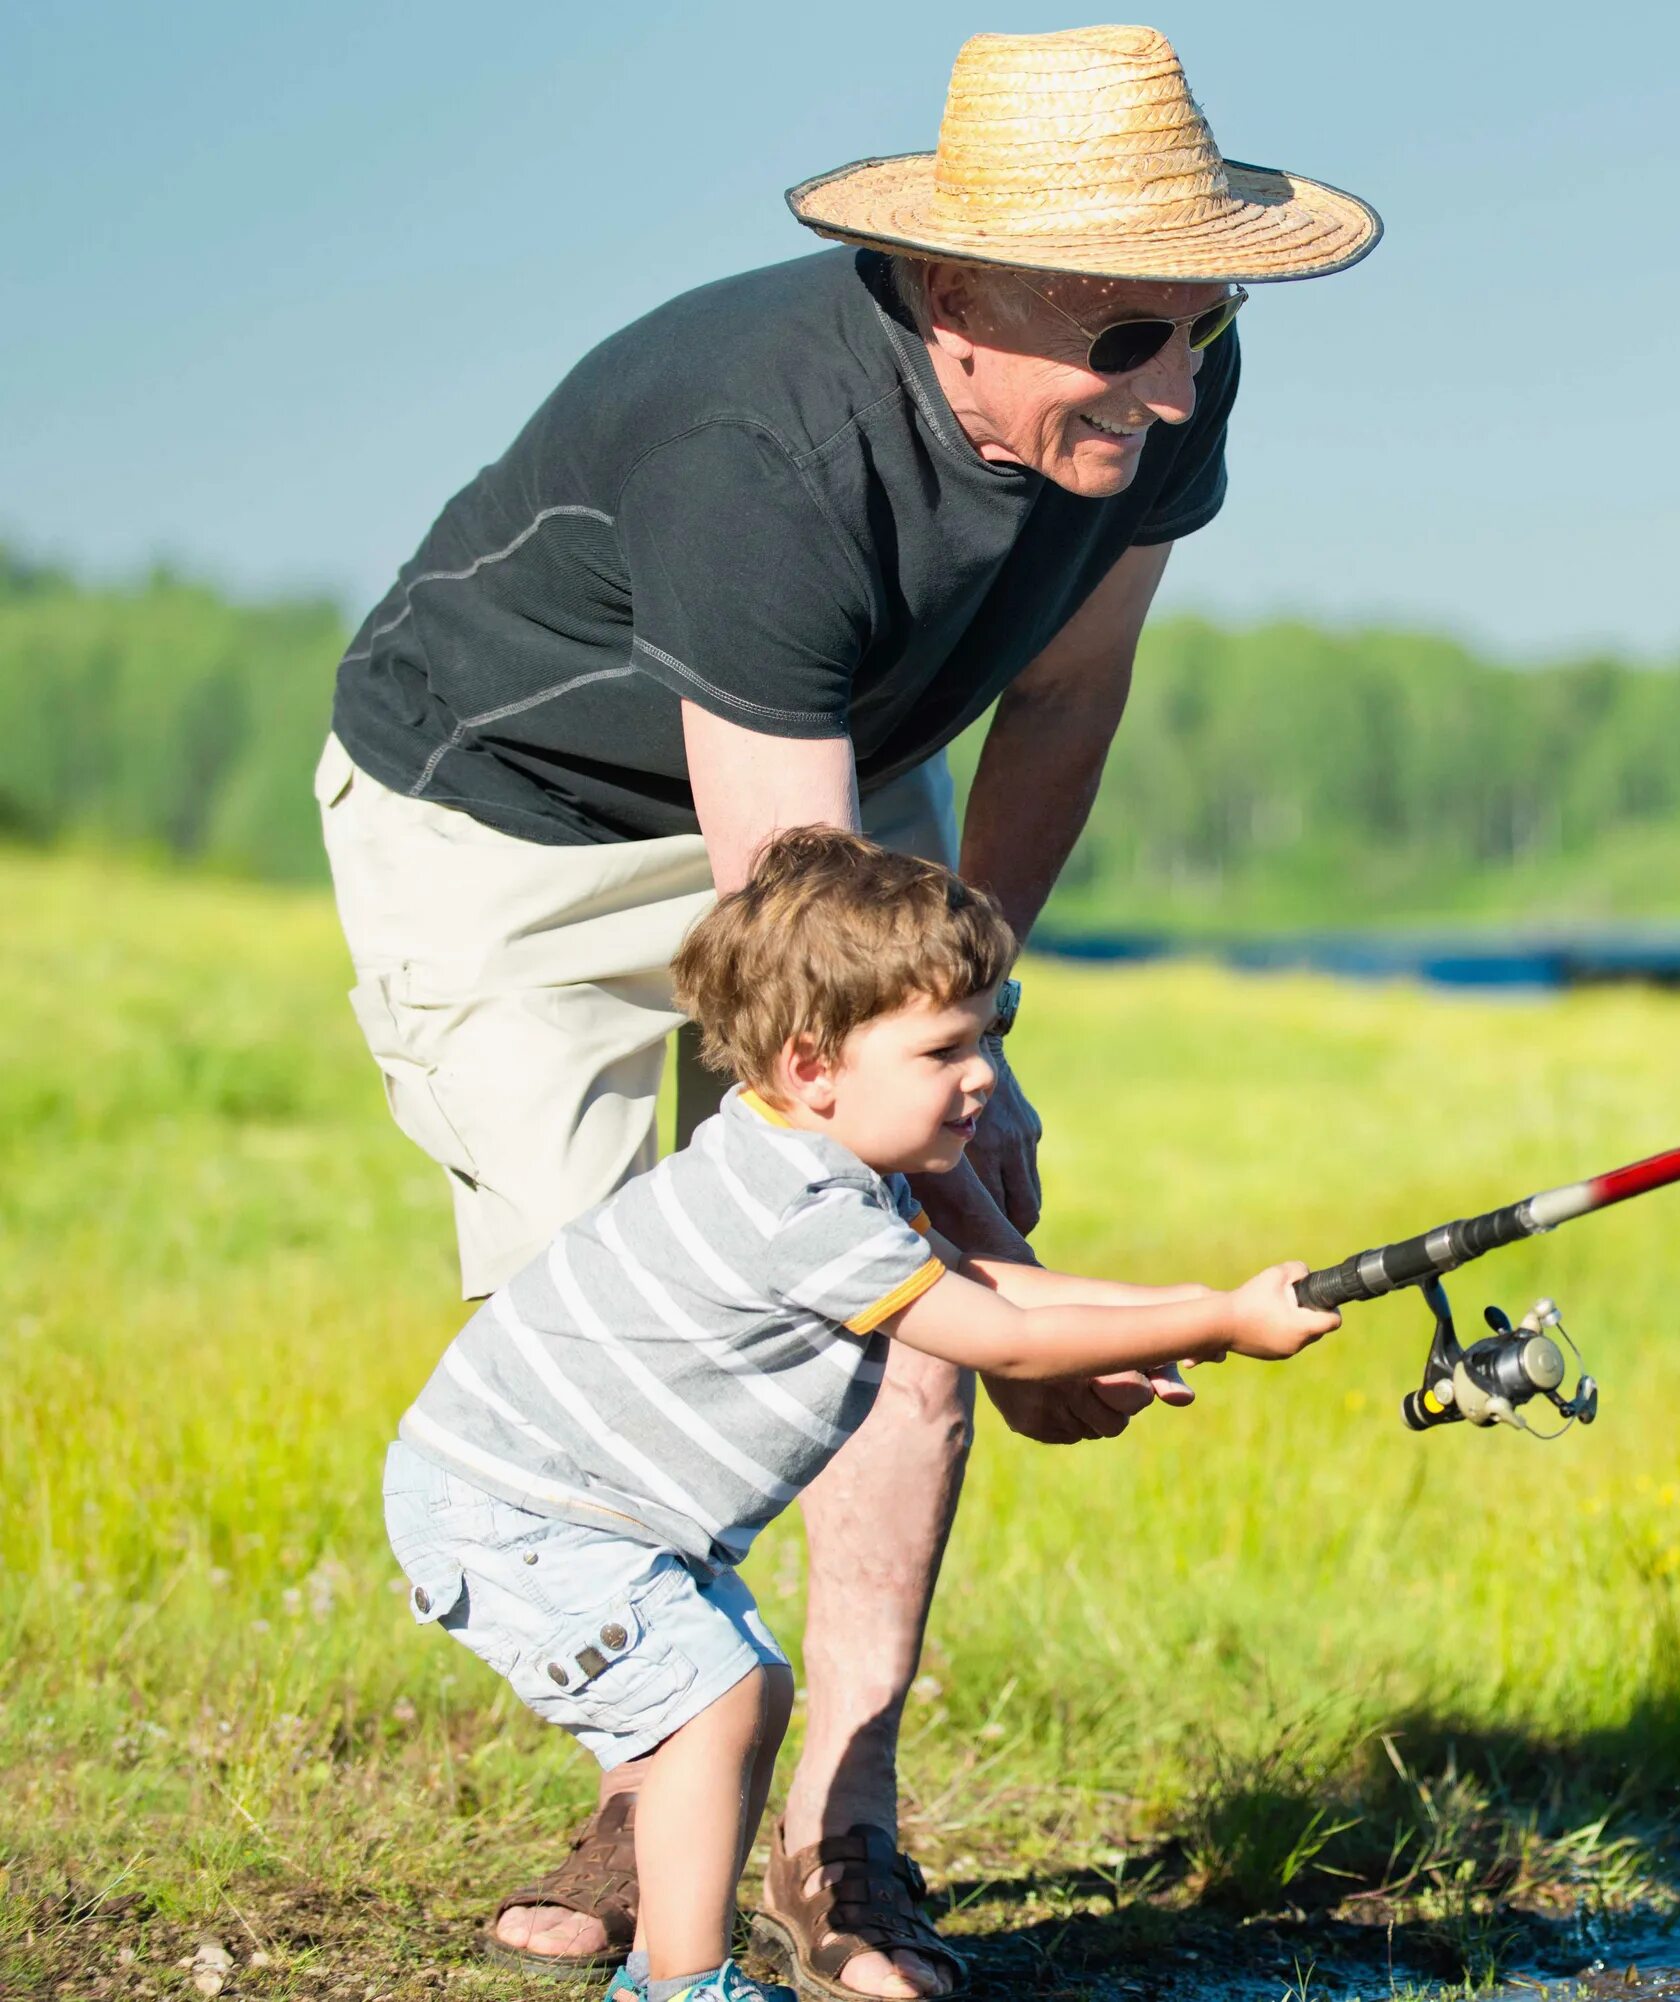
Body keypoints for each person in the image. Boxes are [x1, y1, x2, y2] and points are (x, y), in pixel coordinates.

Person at [318, 24, 1377, 1996]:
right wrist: (992, 1262)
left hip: (834, 774)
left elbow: (1063, 694)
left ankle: (843, 1824)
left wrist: (994, 1030)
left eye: (1204, 327)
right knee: (665, 1286)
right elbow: (810, 1002)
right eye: (1127, 333)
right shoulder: (767, 450)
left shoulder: (1164, 381)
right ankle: (660, 1761)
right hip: (514, 829)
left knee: (922, 1177)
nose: (1167, 388)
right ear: (956, 293)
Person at [384, 828, 1343, 2002]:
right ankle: (679, 1982)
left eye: (988, 1034)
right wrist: (1214, 1320)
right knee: (717, 1695)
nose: (982, 1074)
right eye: (944, 1046)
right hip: (518, 1509)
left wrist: (1209, 1306)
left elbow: (1000, 1287)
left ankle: (673, 1969)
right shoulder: (796, 1203)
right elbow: (996, 1336)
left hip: (569, 1506)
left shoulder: (825, 1162)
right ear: (813, 1062)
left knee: (744, 1686)